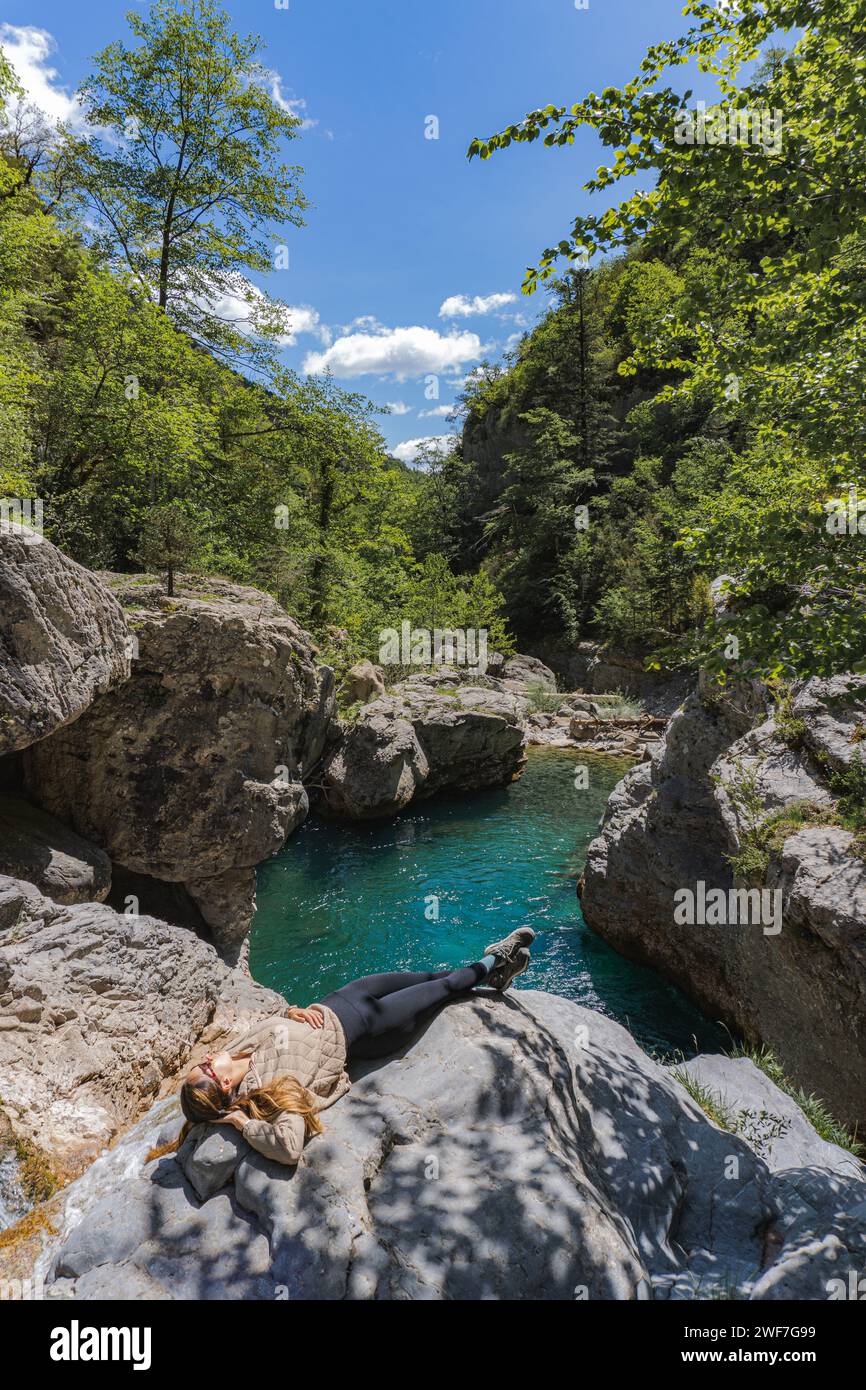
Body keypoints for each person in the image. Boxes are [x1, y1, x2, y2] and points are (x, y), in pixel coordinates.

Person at [148, 927, 536, 1167]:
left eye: (201, 1063)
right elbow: (288, 1148)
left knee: (432, 975)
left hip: (346, 996)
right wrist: (242, 1122)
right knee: (445, 989)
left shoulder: (235, 1052)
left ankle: (495, 973)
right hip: (373, 1026)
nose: (207, 1058)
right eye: (207, 1069)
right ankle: (495, 959)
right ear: (227, 1086)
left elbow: (275, 1020)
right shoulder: (273, 1085)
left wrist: (292, 1010)